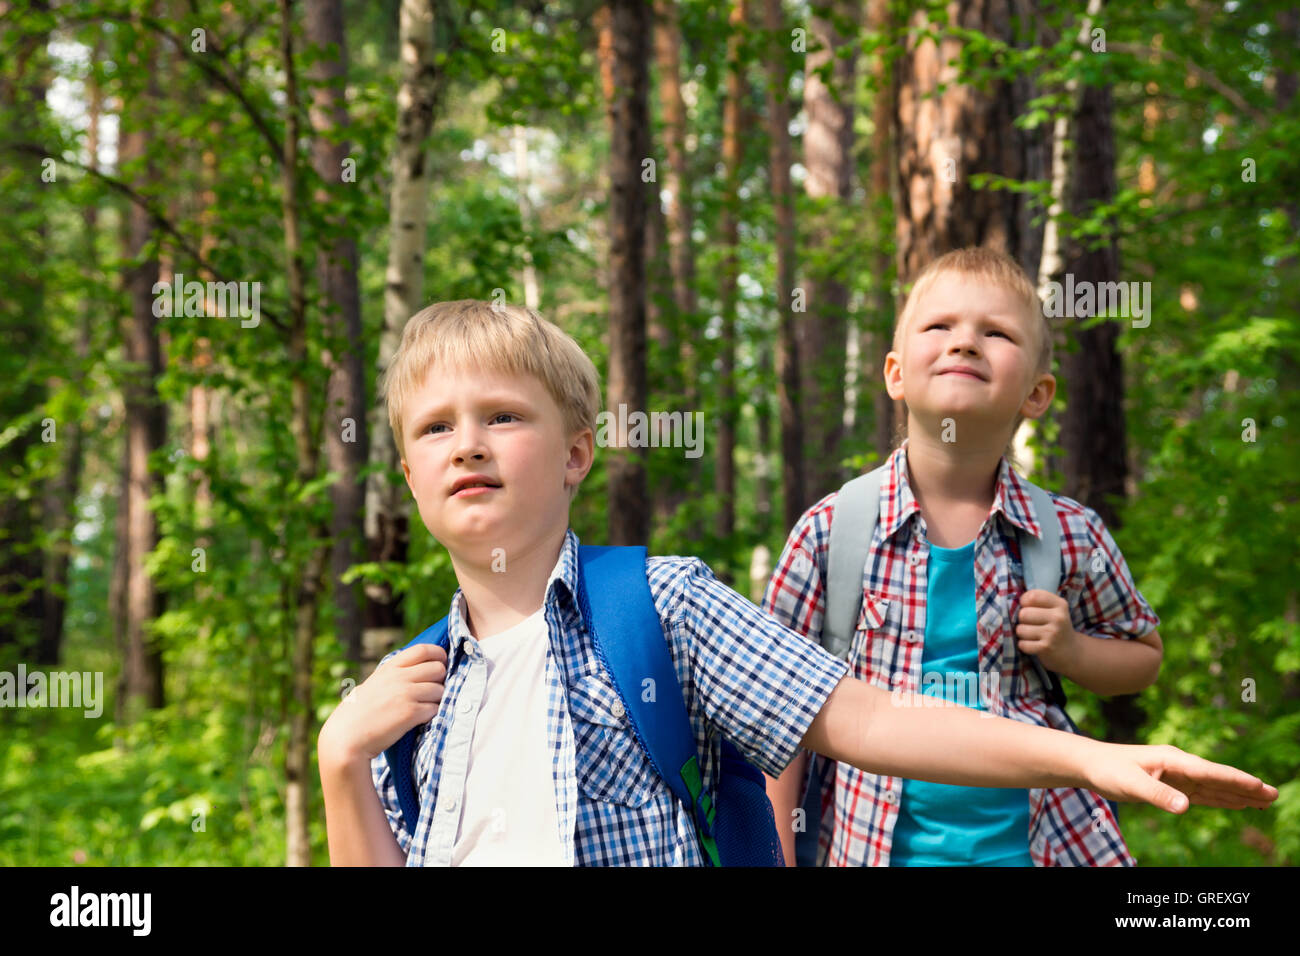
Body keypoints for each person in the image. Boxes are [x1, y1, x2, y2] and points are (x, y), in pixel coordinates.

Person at [318, 298, 1275, 866]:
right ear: (408, 475)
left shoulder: (661, 607)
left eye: (501, 416)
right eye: (435, 427)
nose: (467, 444)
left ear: (576, 454)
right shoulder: (409, 696)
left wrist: (1087, 759)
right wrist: (341, 760)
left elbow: (872, 718)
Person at [763, 247, 1166, 866]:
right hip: (873, 848)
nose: (965, 343)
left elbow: (1143, 657)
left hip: (1040, 847)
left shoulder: (1068, 533)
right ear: (895, 373)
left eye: (996, 333)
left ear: (1036, 394)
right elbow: (776, 709)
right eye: (939, 326)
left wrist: (1072, 651)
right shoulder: (830, 532)